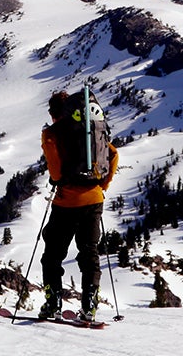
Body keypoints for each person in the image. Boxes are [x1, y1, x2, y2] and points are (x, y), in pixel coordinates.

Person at [38, 90, 119, 321]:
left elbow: (55, 172)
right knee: (89, 252)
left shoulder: (52, 133)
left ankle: (52, 303)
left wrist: (58, 181)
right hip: (94, 200)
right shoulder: (90, 129)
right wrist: (102, 185)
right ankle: (90, 306)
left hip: (66, 201)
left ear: (54, 113)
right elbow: (113, 156)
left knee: (53, 254)